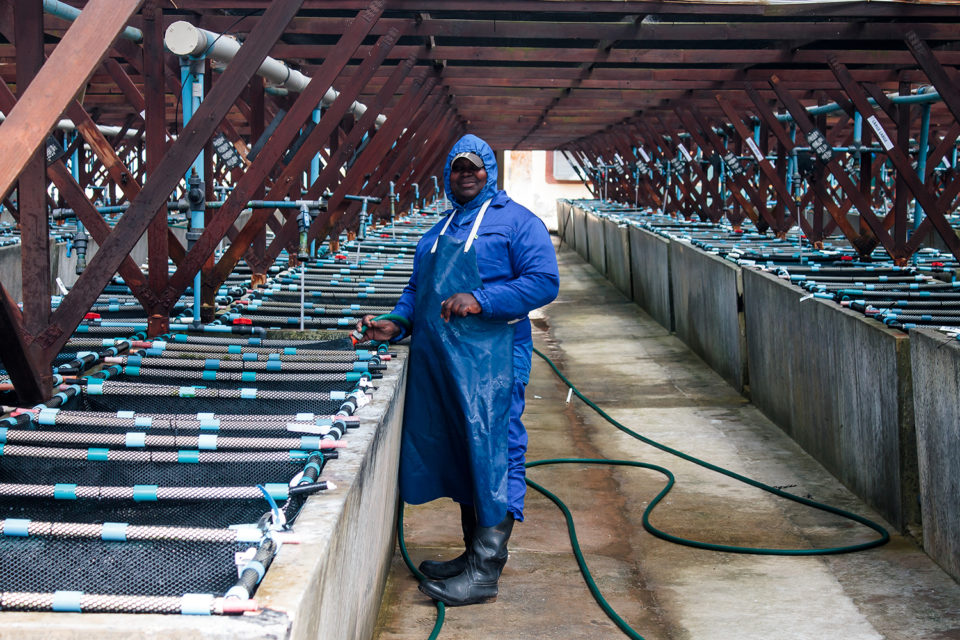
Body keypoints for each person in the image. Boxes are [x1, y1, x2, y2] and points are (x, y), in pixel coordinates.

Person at [356, 134, 559, 607]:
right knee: (464, 449)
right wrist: (396, 322)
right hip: (442, 360)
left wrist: (482, 300)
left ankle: (486, 570)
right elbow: (416, 291)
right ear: (448, 174)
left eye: (475, 167)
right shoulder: (440, 227)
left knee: (496, 450)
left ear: (490, 170)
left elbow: (544, 282)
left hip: (491, 357)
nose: (466, 174)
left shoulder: (516, 223)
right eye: (458, 168)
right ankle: (472, 554)